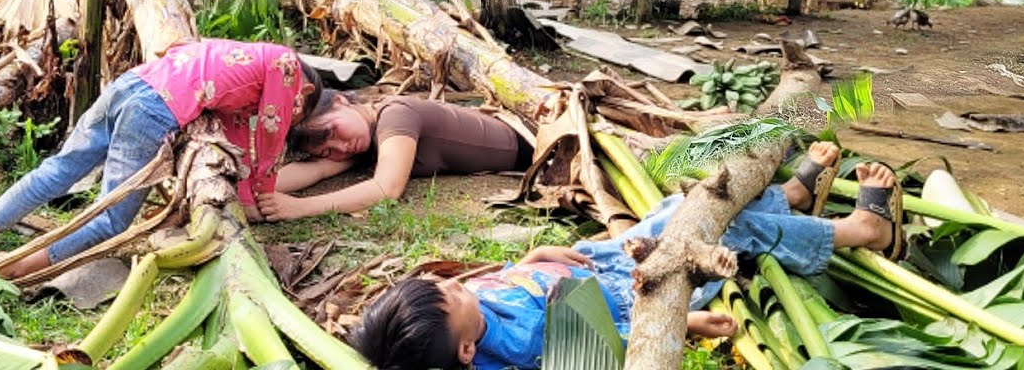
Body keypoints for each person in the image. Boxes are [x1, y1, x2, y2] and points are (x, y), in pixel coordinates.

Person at [349, 142, 902, 370]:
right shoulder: (523, 346)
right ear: (468, 351)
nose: (453, 283)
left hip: (603, 257)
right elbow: (603, 340)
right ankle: (862, 231)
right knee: (731, 232)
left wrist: (534, 257)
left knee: (681, 207)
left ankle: (794, 196)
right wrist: (681, 320)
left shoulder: (463, 316)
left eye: (438, 284)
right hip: (634, 285)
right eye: (449, 296)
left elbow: (497, 285)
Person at [0, 39, 322, 278]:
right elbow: (270, 133)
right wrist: (264, 191)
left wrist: (245, 198)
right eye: (297, 112)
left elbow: (238, 135)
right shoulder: (286, 64)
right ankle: (18, 268)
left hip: (132, 83)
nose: (288, 115)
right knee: (112, 219)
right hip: (154, 111)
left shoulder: (243, 58)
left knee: (60, 169)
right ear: (302, 92)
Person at [257, 92, 532, 221]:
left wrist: (298, 207)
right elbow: (318, 169)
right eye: (328, 150)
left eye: (333, 131)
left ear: (341, 101)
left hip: (534, 148)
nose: (341, 147)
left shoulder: (395, 115)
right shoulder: (363, 137)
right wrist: (251, 191)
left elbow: (386, 188)